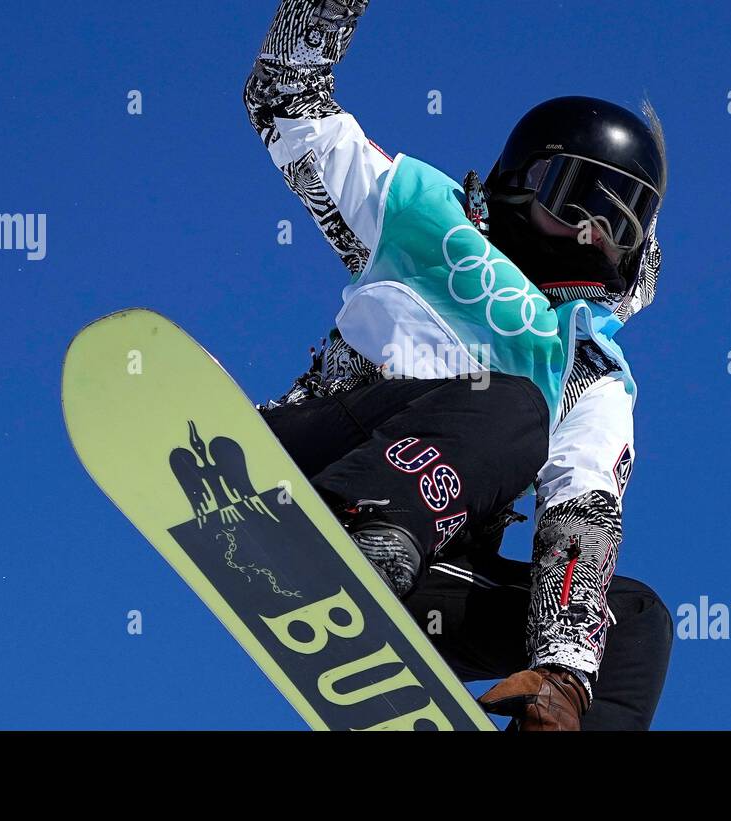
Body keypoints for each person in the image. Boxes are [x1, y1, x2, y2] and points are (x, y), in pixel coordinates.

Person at [243, 0, 672, 730]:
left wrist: (564, 674)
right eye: (575, 200)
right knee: (510, 403)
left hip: (422, 564)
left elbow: (580, 509)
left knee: (633, 621)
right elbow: (285, 98)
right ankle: (360, 530)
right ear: (519, 181)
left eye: (618, 221)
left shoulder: (589, 367)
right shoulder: (421, 215)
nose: (589, 233)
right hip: (307, 470)